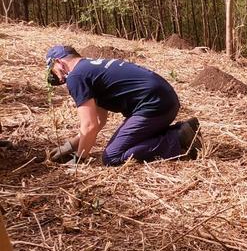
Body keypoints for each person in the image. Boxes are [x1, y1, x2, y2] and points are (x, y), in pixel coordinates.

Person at [45, 45, 201, 166]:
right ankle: (184, 130)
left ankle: (178, 138)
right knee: (124, 146)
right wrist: (70, 146)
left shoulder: (75, 76)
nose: (57, 78)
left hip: (153, 105)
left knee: (112, 157)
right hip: (165, 100)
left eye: (52, 70)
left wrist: (79, 160)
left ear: (59, 62)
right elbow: (99, 121)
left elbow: (89, 125)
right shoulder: (89, 68)